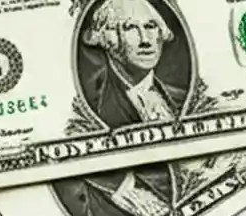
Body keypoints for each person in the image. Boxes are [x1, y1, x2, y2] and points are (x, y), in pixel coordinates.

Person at [80, 0, 188, 129]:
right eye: (130, 27)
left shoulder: (180, 98)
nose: (145, 40)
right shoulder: (97, 107)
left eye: (150, 26)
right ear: (108, 39)